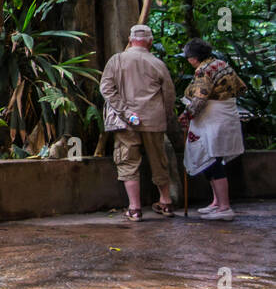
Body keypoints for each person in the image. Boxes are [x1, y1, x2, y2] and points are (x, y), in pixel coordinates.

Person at [99, 24, 177, 221]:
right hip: (154, 120)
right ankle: (166, 202)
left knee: (127, 161)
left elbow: (106, 89)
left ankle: (135, 209)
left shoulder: (117, 60)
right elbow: (169, 95)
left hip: (126, 123)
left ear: (130, 39)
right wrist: (165, 116)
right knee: (159, 160)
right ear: (150, 41)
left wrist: (125, 112)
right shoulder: (157, 63)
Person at [178, 38, 246, 221]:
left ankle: (224, 206)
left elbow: (200, 99)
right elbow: (241, 87)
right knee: (212, 158)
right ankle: (217, 202)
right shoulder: (220, 64)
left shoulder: (204, 71)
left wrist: (187, 114)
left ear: (193, 58)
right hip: (225, 115)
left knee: (212, 159)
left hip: (214, 118)